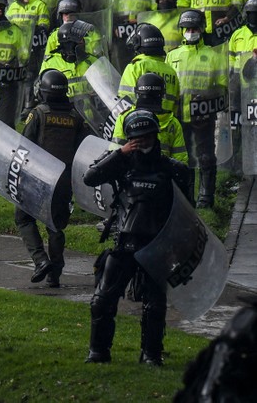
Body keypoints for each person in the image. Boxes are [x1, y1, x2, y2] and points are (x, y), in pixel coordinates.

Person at [83, 109, 190, 365]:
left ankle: (151, 354)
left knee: (154, 306)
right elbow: (90, 177)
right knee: (102, 300)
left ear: (156, 135)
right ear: (129, 138)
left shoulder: (170, 168)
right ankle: (98, 352)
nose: (143, 142)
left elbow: (187, 209)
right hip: (125, 244)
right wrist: (120, 153)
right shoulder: (121, 163)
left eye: (148, 136)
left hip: (157, 247)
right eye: (137, 138)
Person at [17, 70, 90, 287]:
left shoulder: (38, 113)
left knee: (23, 218)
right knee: (55, 226)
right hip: (63, 180)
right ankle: (55, 274)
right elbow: (84, 146)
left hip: (37, 177)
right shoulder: (76, 116)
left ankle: (40, 261)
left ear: (43, 91)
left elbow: (25, 144)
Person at [166, 10, 228, 207]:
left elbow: (223, 85)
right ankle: (186, 198)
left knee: (206, 156)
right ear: (182, 30)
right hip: (177, 115)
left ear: (201, 30)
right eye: (187, 29)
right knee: (183, 158)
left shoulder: (213, 55)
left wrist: (208, 96)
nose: (190, 32)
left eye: (194, 29)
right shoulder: (172, 55)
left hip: (203, 115)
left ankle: (206, 198)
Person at [113, 73, 188, 164]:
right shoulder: (173, 122)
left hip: (132, 174)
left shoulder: (124, 118)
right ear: (162, 95)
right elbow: (181, 161)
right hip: (162, 174)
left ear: (137, 93)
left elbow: (114, 153)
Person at [117, 23, 180, 115]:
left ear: (138, 44)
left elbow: (124, 104)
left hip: (141, 123)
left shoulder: (136, 67)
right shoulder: (171, 72)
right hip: (167, 124)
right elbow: (176, 106)